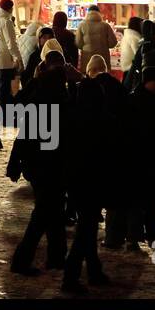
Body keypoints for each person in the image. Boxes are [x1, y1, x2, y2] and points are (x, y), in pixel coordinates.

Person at [9, 52, 69, 277]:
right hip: (49, 165)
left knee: (53, 210)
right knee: (45, 212)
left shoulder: (40, 96)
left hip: (39, 165)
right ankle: (23, 260)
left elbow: (24, 134)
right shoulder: (57, 100)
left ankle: (56, 257)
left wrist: (15, 162)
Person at [62, 54, 114, 292]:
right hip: (89, 176)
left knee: (89, 224)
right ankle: (71, 275)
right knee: (87, 227)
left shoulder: (75, 112)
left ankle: (93, 269)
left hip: (78, 176)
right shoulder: (93, 120)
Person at [125, 66, 155, 249]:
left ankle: (151, 227)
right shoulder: (136, 101)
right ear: (148, 82)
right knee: (139, 196)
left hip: (153, 156)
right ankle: (136, 234)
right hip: (138, 156)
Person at [74, 5, 117, 73]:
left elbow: (78, 44)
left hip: (87, 60)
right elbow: (113, 43)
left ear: (88, 13)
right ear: (99, 13)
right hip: (103, 60)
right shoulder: (105, 26)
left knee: (88, 80)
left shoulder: (82, 25)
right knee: (102, 80)